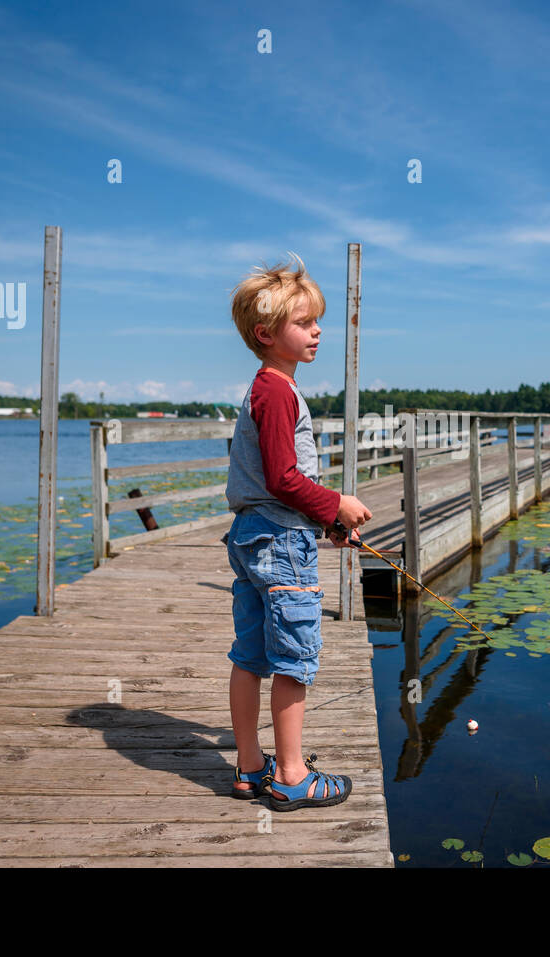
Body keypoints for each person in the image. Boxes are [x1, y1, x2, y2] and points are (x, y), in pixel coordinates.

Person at [220, 252, 372, 811]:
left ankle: (249, 766)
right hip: (280, 542)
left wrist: (324, 521)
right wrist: (336, 504)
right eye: (305, 323)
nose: (318, 331)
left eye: (317, 321)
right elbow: (285, 477)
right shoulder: (278, 392)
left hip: (254, 534)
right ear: (267, 333)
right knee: (293, 656)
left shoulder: (265, 389)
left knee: (251, 655)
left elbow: (270, 481)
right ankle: (290, 775)